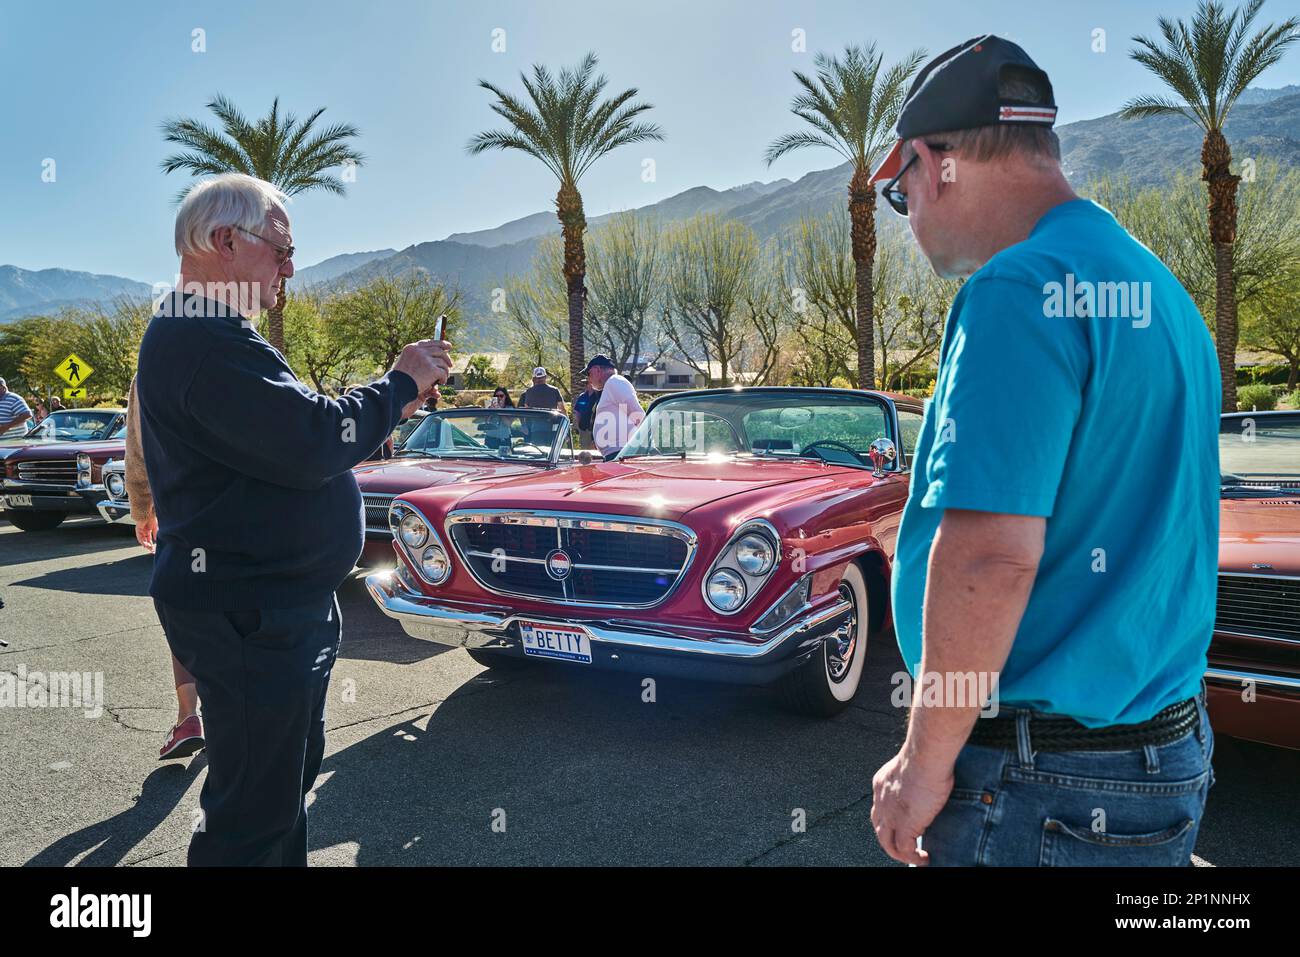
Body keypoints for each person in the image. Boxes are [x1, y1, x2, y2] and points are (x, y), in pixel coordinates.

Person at [866, 36, 1219, 867]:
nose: (908, 213)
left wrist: (923, 762)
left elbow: (990, 555)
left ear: (935, 159)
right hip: (1161, 752)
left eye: (899, 190)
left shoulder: (1016, 289)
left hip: (1042, 782)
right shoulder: (1162, 294)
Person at [135, 172, 450, 866]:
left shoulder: (209, 333)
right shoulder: (202, 339)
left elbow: (289, 440)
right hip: (252, 612)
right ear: (224, 241)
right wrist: (398, 382)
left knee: (276, 796)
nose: (291, 266)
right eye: (281, 248)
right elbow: (314, 439)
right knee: (252, 818)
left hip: (270, 606)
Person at [124, 375, 204, 760]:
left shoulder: (152, 369)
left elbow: (138, 451)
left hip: (180, 517)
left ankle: (189, 716)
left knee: (179, 610)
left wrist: (143, 510)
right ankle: (229, 718)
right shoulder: (239, 350)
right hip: (240, 519)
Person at [585, 355, 643, 459]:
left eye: (588, 374)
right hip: (620, 454)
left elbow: (637, 414)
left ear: (597, 370)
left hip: (623, 454)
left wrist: (647, 446)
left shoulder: (615, 381)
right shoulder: (612, 384)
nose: (588, 379)